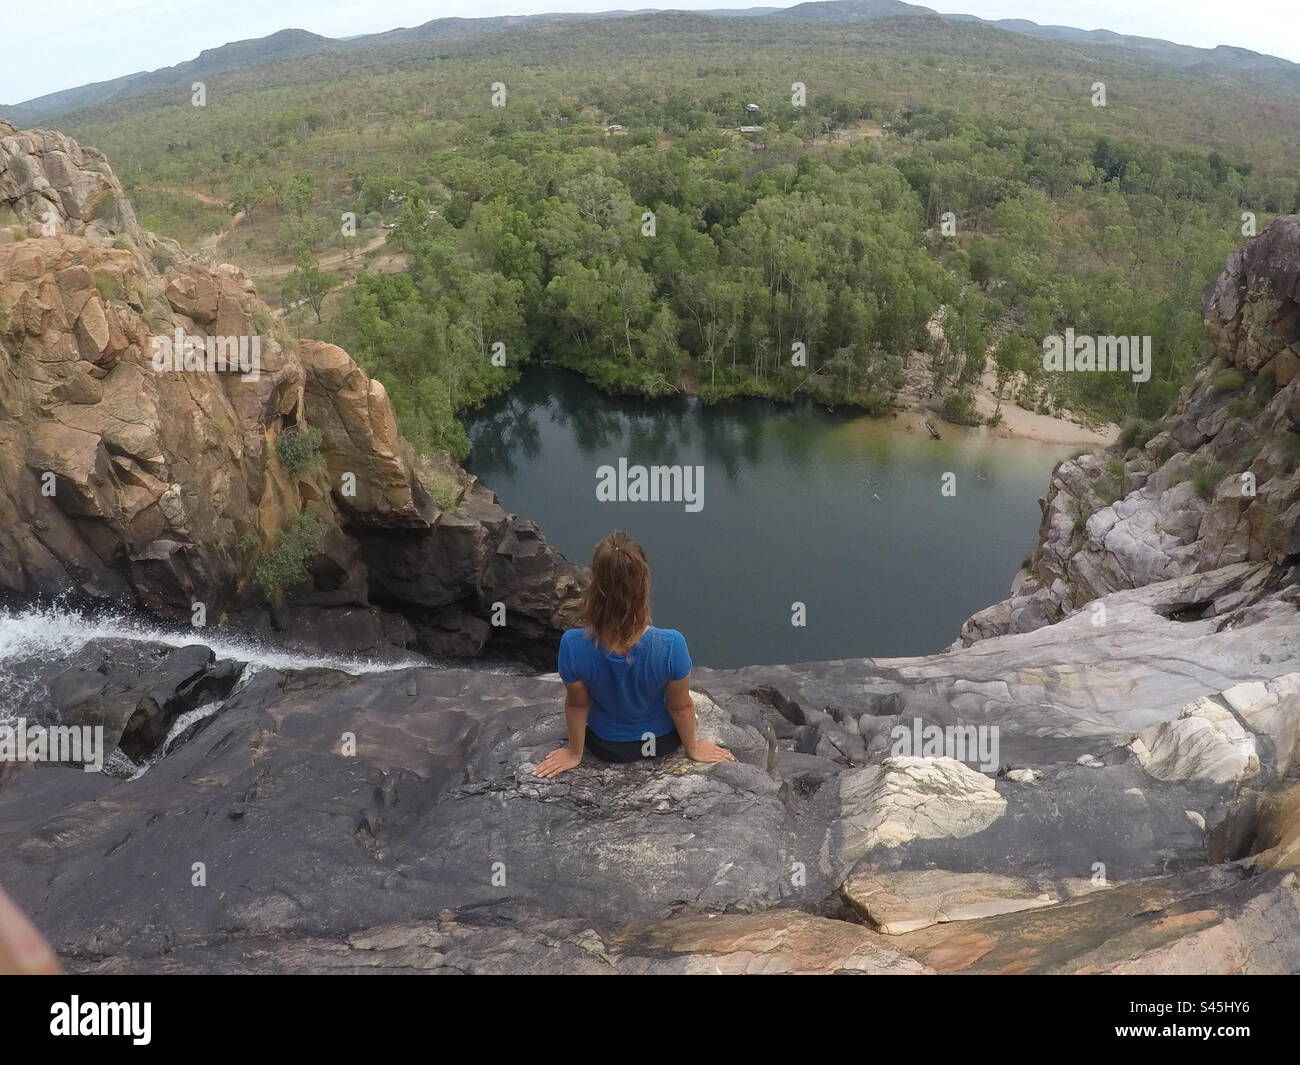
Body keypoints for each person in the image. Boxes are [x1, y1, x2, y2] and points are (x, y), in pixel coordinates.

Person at [533, 530, 735, 778]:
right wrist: (692, 747)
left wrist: (575, 753)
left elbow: (577, 704)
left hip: (606, 746)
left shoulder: (572, 644)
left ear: (595, 584)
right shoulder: (671, 643)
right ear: (644, 584)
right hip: (663, 742)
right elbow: (681, 707)